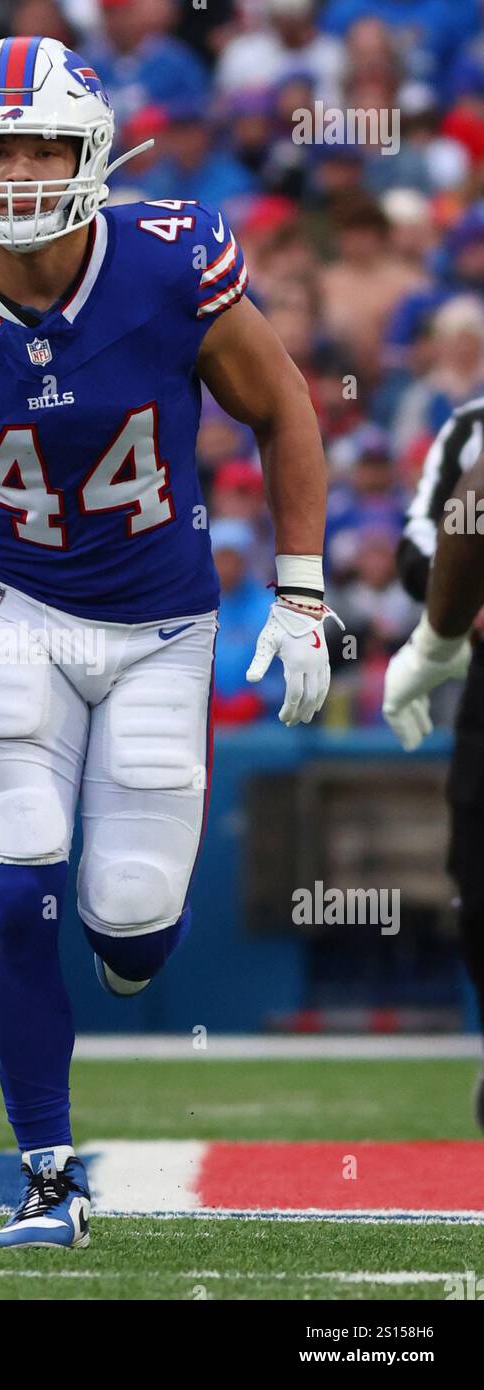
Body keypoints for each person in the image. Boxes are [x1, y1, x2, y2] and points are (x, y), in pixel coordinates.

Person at [0, 36, 336, 1251]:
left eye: (39, 146)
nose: (16, 173)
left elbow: (282, 409)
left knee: (128, 924)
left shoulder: (170, 264)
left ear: (91, 154)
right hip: (13, 614)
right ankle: (46, 1172)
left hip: (165, 626)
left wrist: (296, 592)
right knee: (16, 893)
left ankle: (124, 953)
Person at [390, 409, 484, 1128]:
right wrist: (453, 612)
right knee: (477, 877)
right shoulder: (469, 428)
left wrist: (433, 643)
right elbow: (429, 533)